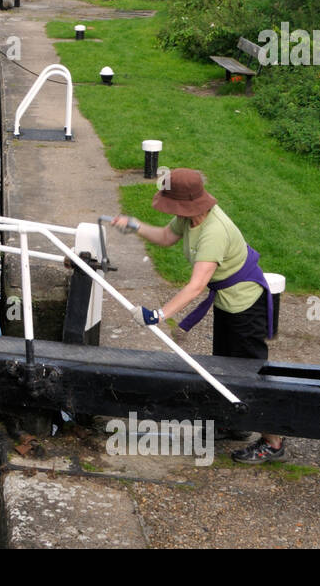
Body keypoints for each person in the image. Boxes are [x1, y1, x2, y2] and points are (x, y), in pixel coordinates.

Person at [111, 168, 283, 464]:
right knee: (223, 367)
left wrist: (158, 315)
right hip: (229, 304)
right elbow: (165, 237)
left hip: (246, 306)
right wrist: (134, 225)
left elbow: (196, 286)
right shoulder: (190, 217)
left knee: (251, 372)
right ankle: (235, 425)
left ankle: (273, 441)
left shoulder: (214, 231)